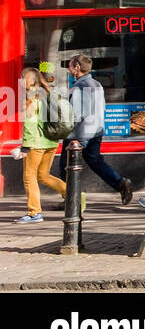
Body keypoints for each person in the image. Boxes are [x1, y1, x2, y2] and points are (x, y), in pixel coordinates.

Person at [63, 55, 133, 204]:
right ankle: (119, 182)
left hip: (80, 134)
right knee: (95, 161)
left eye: (70, 66)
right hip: (96, 131)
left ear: (77, 67)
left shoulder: (79, 86)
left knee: (66, 166)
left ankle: (71, 201)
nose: (68, 69)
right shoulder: (97, 84)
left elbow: (76, 114)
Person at [15, 68, 66, 223]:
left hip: (36, 143)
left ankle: (34, 213)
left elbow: (30, 124)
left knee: (30, 177)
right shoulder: (49, 94)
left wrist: (25, 146)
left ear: (27, 80)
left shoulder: (31, 97)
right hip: (51, 142)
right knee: (43, 175)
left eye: (21, 78)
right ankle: (73, 194)